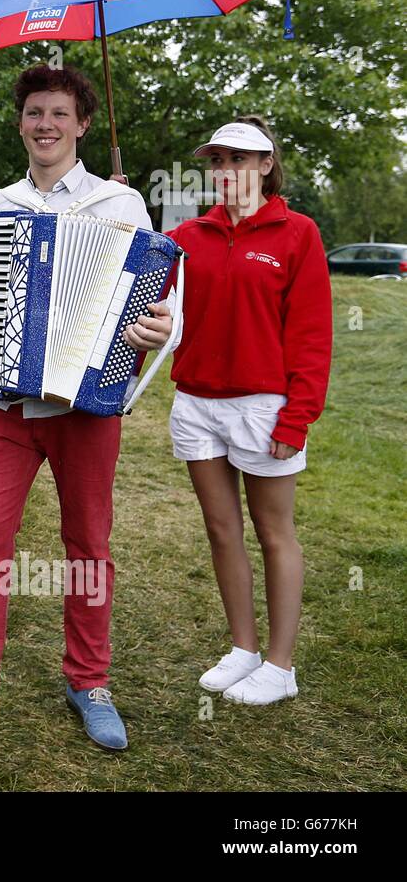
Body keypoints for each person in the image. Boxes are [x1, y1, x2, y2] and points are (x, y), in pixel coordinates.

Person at [0, 63, 174, 751]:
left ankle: (89, 682)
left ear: (83, 124)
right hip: (7, 405)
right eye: (35, 112)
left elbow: (160, 309)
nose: (46, 124)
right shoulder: (0, 204)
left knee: (87, 546)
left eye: (60, 113)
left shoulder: (121, 208)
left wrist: (159, 327)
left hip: (88, 408)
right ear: (22, 122)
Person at [165, 117, 331, 705]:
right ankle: (243, 648)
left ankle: (281, 667)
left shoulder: (297, 233)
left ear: (265, 166)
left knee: (274, 532)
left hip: (265, 407)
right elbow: (153, 312)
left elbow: (311, 335)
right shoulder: (187, 237)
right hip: (196, 404)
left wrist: (297, 417)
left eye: (239, 160)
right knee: (220, 529)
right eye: (217, 161)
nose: (226, 171)